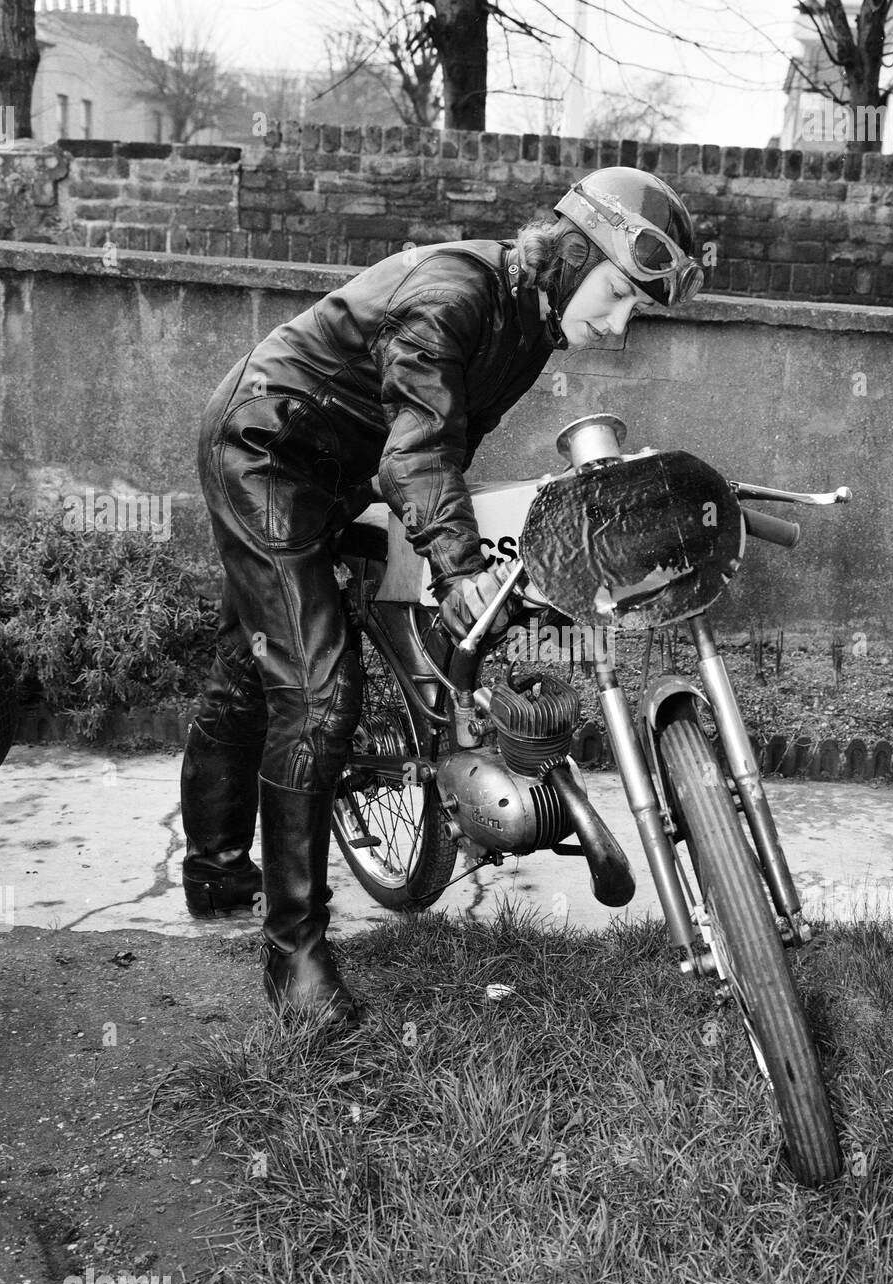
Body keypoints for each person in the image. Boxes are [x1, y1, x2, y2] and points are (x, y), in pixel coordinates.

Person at [179, 166, 703, 1023]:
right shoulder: (455, 293)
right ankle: (294, 956)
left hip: (342, 465)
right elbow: (418, 451)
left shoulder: (530, 326)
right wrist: (458, 568)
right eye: (618, 294)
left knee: (255, 661)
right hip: (266, 449)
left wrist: (466, 547)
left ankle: (214, 869)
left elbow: (442, 443)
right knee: (316, 692)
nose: (617, 326)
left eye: (635, 311)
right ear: (574, 255)